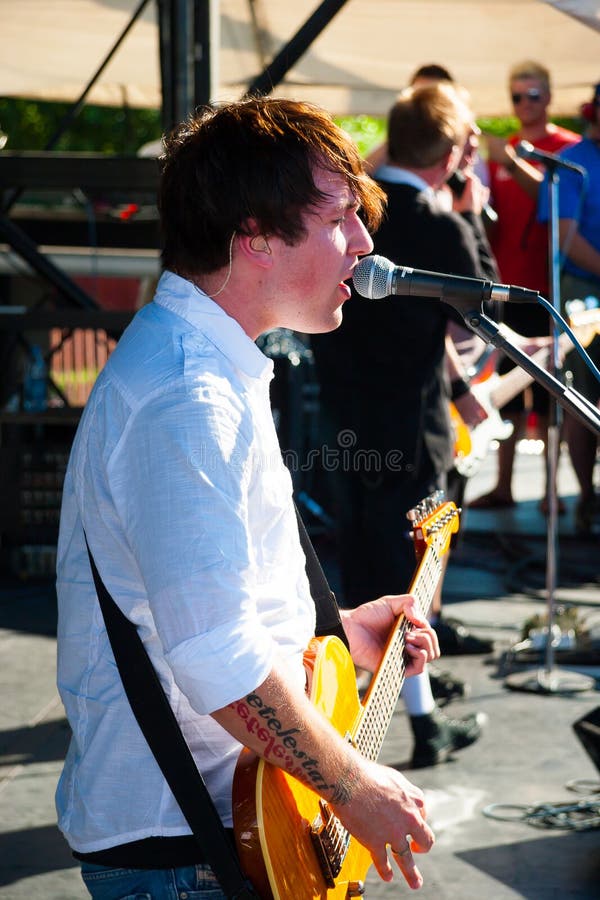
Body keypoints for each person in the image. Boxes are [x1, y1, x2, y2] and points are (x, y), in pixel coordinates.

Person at [54, 97, 443, 899]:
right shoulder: (187, 396)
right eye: (339, 218)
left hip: (220, 831)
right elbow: (216, 658)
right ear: (255, 234)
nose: (364, 243)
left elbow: (204, 609)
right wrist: (354, 786)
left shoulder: (211, 366)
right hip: (188, 849)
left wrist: (340, 633)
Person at [311, 83, 495, 768]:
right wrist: (470, 217)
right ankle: (418, 724)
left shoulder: (351, 212)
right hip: (411, 427)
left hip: (344, 418)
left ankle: (362, 716)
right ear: (449, 155)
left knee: (362, 559)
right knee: (413, 574)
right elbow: (481, 310)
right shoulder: (441, 224)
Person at [471, 60, 580, 511]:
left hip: (550, 288)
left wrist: (513, 164)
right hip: (505, 286)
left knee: (553, 392)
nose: (524, 104)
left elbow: (555, 205)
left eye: (532, 95)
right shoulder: (506, 150)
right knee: (508, 391)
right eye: (517, 96)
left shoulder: (566, 149)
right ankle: (503, 486)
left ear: (549, 97)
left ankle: (553, 491)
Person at [537, 81, 600, 534]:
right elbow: (565, 237)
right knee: (581, 398)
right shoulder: (572, 163)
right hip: (584, 291)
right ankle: (586, 497)